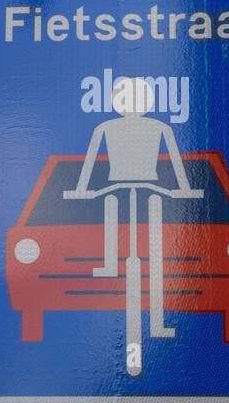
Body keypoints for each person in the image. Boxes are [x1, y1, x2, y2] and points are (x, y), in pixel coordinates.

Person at [68, 77, 200, 371]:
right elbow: (89, 164)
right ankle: (109, 263)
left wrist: (183, 189)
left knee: (154, 257)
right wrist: (82, 189)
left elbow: (177, 165)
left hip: (152, 194)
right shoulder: (104, 128)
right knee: (111, 205)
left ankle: (158, 322)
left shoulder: (160, 128)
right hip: (115, 192)